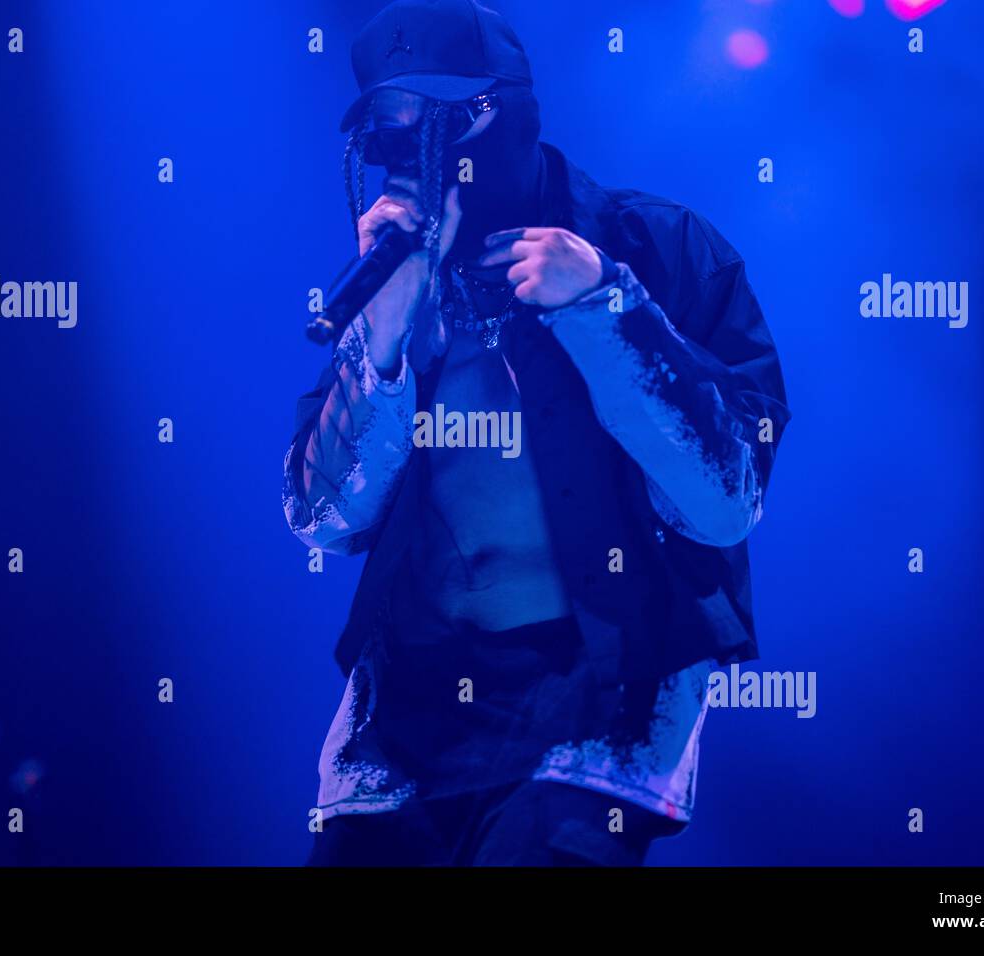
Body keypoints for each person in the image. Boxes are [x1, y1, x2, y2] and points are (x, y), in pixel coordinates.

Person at [284, 0, 790, 866]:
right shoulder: (402, 286)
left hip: (596, 715)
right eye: (392, 136)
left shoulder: (663, 249)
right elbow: (321, 518)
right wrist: (387, 329)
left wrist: (604, 307)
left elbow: (726, 498)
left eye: (445, 124)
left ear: (507, 112)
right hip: (408, 718)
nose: (418, 161)